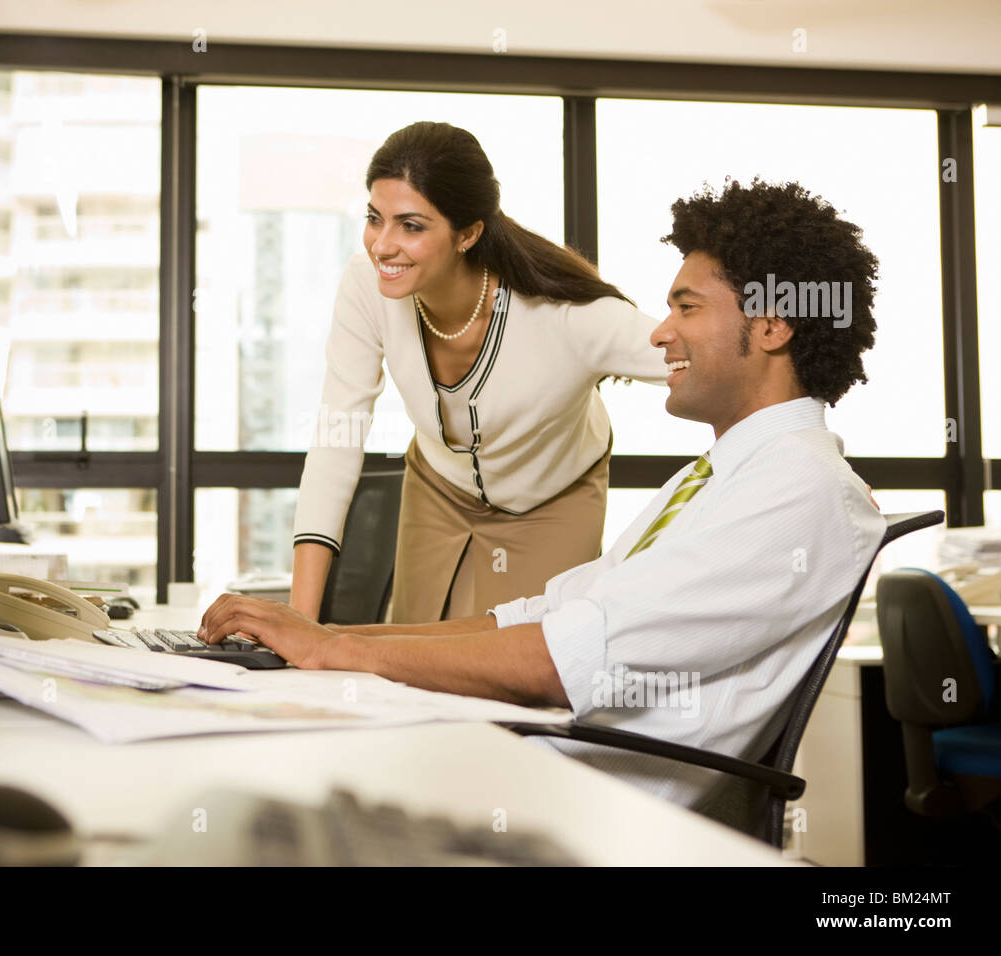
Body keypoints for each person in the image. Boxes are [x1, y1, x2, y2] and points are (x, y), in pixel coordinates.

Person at [201, 177, 886, 809]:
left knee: (261, 786)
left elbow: (563, 660)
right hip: (538, 760)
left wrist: (332, 653)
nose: (661, 330)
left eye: (686, 306)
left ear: (772, 324)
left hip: (581, 798)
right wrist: (325, 638)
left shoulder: (800, 488)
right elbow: (545, 612)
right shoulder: (719, 476)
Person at [290, 121, 669, 625]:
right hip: (438, 490)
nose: (382, 245)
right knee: (411, 662)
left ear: (467, 234)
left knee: (523, 672)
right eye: (374, 218)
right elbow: (337, 435)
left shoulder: (567, 317)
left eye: (411, 225)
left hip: (551, 499)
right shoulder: (365, 286)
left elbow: (696, 358)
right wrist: (298, 624)